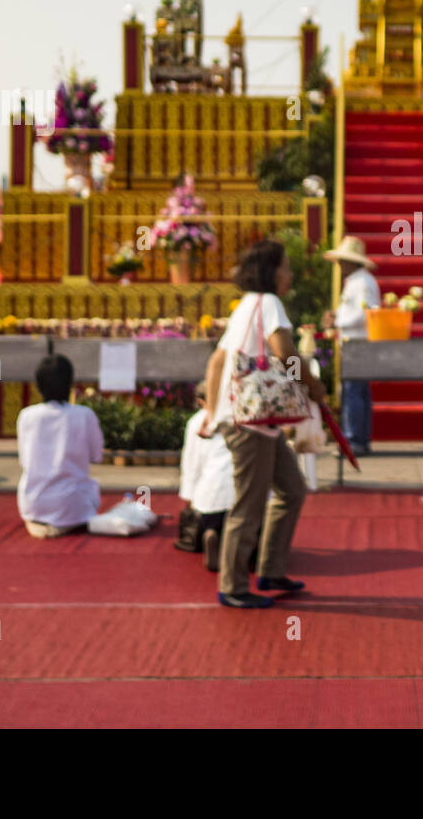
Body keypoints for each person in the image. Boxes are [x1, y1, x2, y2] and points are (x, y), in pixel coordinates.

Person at [201, 240, 326, 608]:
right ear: (272, 272)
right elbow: (285, 352)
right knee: (250, 503)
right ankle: (233, 585)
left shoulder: (245, 307)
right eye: (286, 267)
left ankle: (270, 569)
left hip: (249, 418)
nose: (290, 275)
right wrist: (314, 385)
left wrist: (212, 413)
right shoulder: (269, 304)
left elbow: (217, 362)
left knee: (291, 489)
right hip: (250, 421)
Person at [16, 355, 102, 539]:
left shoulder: (26, 415)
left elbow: (25, 460)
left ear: (38, 385)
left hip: (34, 505)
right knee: (91, 487)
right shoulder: (85, 415)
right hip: (74, 506)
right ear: (70, 383)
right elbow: (97, 456)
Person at [321, 235, 380, 455]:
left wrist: (337, 321)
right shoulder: (357, 281)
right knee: (357, 390)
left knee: (353, 391)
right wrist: (337, 317)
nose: (339, 264)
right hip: (354, 340)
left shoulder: (362, 282)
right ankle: (359, 438)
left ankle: (354, 439)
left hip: (358, 341)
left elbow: (365, 313)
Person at [174, 381, 238, 571]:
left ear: (202, 401)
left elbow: (191, 463)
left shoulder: (196, 422)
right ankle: (232, 547)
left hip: (210, 497)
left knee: (203, 519)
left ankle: (211, 534)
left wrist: (188, 496)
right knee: (244, 529)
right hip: (240, 496)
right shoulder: (238, 416)